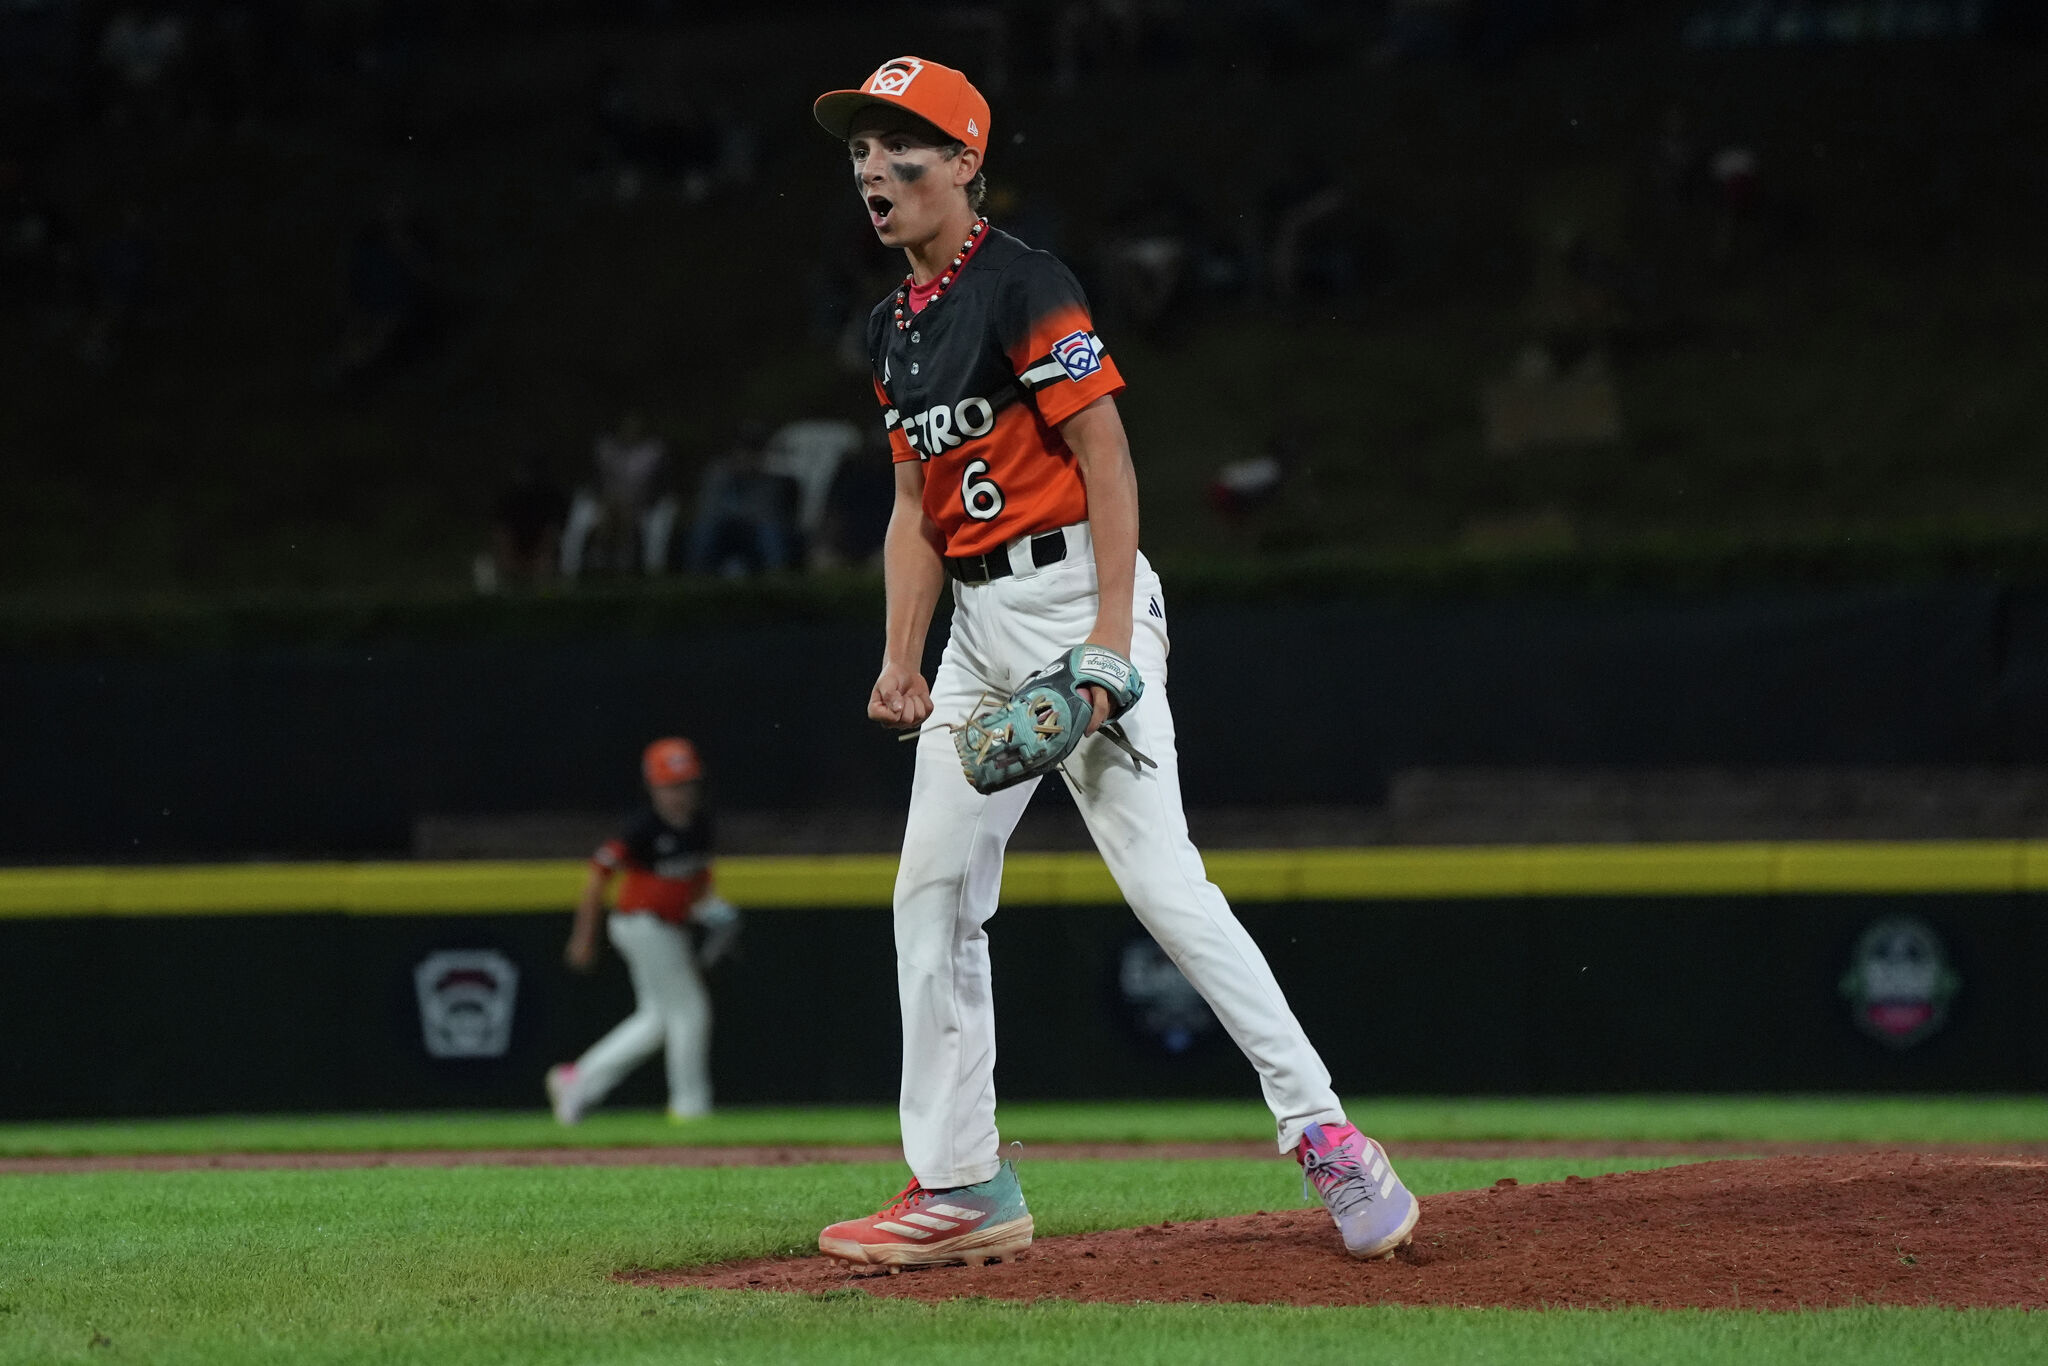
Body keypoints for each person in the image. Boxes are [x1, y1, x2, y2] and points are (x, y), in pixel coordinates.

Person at [808, 57, 1420, 1269]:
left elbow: (1109, 461)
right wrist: (898, 653)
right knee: (929, 890)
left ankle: (1325, 1132)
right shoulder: (892, 328)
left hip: (1076, 594)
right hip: (976, 630)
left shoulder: (1029, 285)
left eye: (901, 146)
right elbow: (914, 508)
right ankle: (963, 1183)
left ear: (966, 163)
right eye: (860, 150)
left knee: (1161, 882)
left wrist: (1104, 642)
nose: (874, 169)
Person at [545, 737, 740, 1124]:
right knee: (690, 1012)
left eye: (685, 784)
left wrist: (715, 913)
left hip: (667, 927)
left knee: (656, 1019)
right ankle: (690, 1107)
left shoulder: (701, 826)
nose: (679, 794)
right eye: (670, 786)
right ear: (653, 787)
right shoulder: (642, 829)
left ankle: (578, 1080)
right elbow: (597, 877)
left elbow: (698, 886)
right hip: (640, 925)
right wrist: (583, 937)